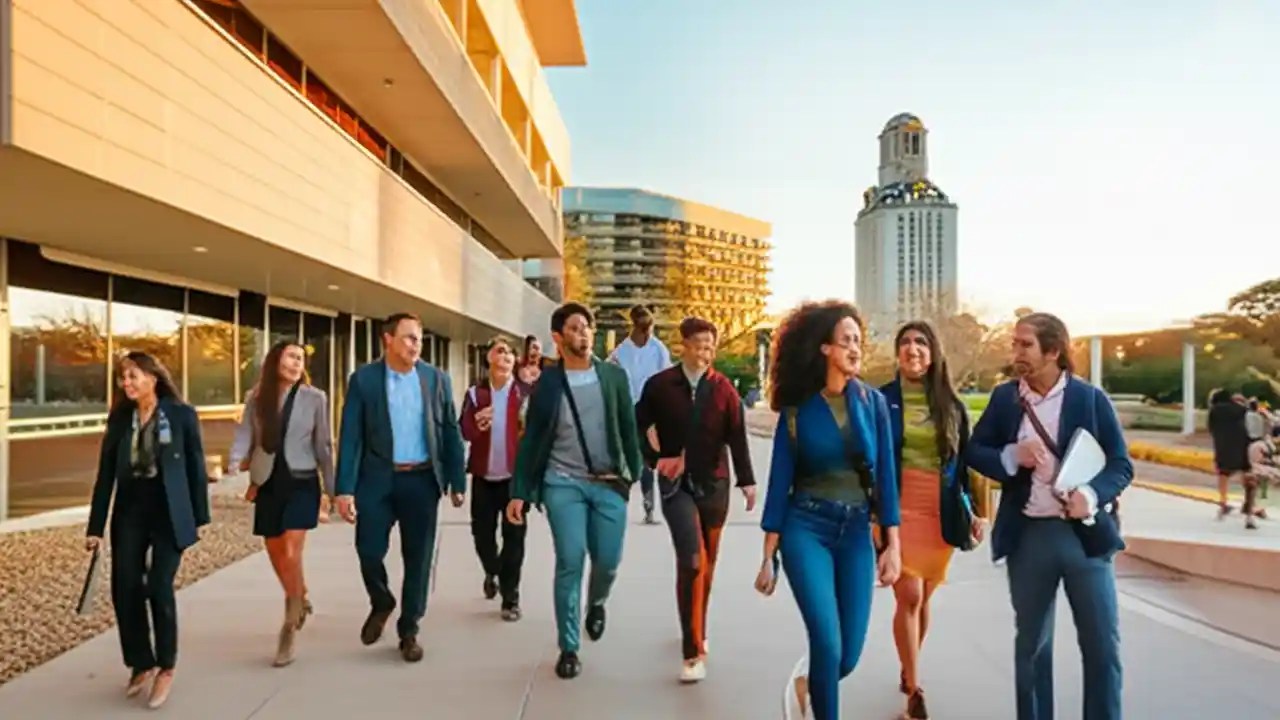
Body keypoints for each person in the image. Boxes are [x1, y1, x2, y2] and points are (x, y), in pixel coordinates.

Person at [965, 312, 1131, 720]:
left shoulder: (1089, 399)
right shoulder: (1006, 398)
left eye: (1025, 345)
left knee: (1102, 648)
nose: (1016, 351)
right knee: (1032, 649)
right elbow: (974, 450)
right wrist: (1010, 455)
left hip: (1084, 539)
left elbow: (1120, 465)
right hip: (1029, 537)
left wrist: (1090, 495)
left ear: (1053, 351)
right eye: (1015, 343)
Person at [753, 300, 902, 720]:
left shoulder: (872, 405)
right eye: (846, 340)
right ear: (824, 349)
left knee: (848, 655)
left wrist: (893, 545)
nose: (855, 347)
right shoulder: (797, 412)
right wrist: (768, 556)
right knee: (827, 641)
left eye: (858, 339)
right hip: (806, 529)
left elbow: (887, 479)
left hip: (855, 533)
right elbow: (779, 483)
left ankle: (807, 684)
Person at [506, 302, 644, 680]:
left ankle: (596, 603)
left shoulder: (613, 377)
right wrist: (520, 491)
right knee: (570, 559)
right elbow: (532, 438)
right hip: (561, 482)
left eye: (587, 327)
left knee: (608, 561)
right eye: (575, 327)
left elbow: (628, 430)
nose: (583, 333)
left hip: (609, 483)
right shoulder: (547, 383)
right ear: (557, 337)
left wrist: (631, 477)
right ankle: (568, 646)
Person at [334, 312, 466, 663]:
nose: (415, 345)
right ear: (388, 339)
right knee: (368, 549)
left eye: (418, 339)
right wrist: (344, 489)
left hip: (422, 481)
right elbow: (351, 437)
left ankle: (409, 629)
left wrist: (456, 479)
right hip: (377, 479)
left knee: (418, 558)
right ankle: (382, 601)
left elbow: (449, 430)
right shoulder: (364, 380)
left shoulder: (435, 379)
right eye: (408, 338)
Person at [634, 316, 757, 682]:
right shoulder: (659, 386)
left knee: (708, 563)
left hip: (715, 486)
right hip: (676, 487)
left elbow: (738, 438)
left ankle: (696, 624)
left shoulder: (723, 390)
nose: (706, 351)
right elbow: (636, 425)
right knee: (691, 560)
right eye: (700, 343)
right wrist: (655, 459)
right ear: (684, 344)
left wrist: (747, 482)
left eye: (710, 345)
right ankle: (691, 653)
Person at [86, 352, 210, 709]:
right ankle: (141, 661)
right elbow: (106, 474)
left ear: (153, 377)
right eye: (122, 378)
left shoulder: (181, 415)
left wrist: (198, 517)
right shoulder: (121, 418)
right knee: (125, 587)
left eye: (133, 376)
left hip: (169, 512)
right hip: (130, 511)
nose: (126, 383)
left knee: (158, 586)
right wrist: (95, 527)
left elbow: (195, 466)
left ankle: (166, 666)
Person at [879, 321, 984, 719]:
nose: (912, 349)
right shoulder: (880, 400)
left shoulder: (952, 406)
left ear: (933, 352)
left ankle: (909, 668)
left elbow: (963, 466)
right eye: (905, 342)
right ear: (897, 353)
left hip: (938, 512)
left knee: (925, 599)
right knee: (910, 595)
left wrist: (975, 511)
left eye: (921, 342)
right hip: (896, 508)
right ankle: (915, 688)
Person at [228, 340, 335, 666]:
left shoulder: (315, 398)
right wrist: (234, 461)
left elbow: (324, 444)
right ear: (276, 360)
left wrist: (333, 489)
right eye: (290, 356)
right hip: (269, 483)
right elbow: (246, 433)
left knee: (291, 547)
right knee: (274, 549)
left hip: (303, 481)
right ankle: (300, 594)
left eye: (300, 358)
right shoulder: (257, 397)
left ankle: (289, 621)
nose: (295, 363)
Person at [460, 335, 530, 620]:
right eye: (500, 352)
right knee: (482, 536)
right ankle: (493, 571)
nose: (506, 357)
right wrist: (476, 425)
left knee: (514, 540)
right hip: (483, 478)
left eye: (510, 353)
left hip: (515, 481)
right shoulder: (476, 395)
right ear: (488, 358)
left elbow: (535, 435)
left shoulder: (524, 395)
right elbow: (463, 431)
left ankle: (510, 599)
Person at [608, 304, 671, 524]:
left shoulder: (658, 349)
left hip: (652, 410)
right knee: (627, 458)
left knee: (648, 460)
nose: (648, 334)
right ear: (636, 327)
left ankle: (649, 505)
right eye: (644, 329)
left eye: (650, 328)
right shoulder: (621, 351)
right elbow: (612, 377)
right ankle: (620, 503)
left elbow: (666, 380)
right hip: (628, 409)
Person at [1208, 388, 1250, 522]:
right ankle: (1249, 503)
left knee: (1223, 473)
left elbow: (1211, 428)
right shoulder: (1240, 409)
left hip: (1222, 446)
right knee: (1247, 472)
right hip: (1242, 445)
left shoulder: (1214, 411)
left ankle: (1223, 501)